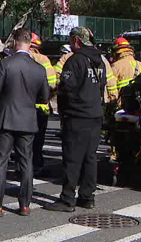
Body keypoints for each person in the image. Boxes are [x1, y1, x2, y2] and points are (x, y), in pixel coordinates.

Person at [0, 29, 50, 218]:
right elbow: (44, 97)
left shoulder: (6, 64)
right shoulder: (39, 68)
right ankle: (25, 205)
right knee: (26, 162)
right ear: (30, 44)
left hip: (7, 118)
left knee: (1, 162)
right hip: (28, 119)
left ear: (14, 42)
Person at [45, 27, 107, 212]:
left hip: (77, 116)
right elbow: (101, 86)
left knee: (72, 159)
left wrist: (62, 110)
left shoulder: (75, 61)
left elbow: (66, 89)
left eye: (72, 40)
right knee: (90, 157)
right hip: (95, 114)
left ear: (76, 41)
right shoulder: (100, 62)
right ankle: (87, 197)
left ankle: (67, 199)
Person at [28, 33, 57, 174]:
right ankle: (36, 164)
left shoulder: (14, 58)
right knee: (38, 139)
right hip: (40, 107)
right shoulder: (43, 59)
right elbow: (52, 82)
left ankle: (22, 165)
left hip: (20, 107)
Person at [110, 37, 141, 110]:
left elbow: (111, 92)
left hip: (122, 109)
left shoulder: (115, 67)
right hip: (140, 109)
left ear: (116, 52)